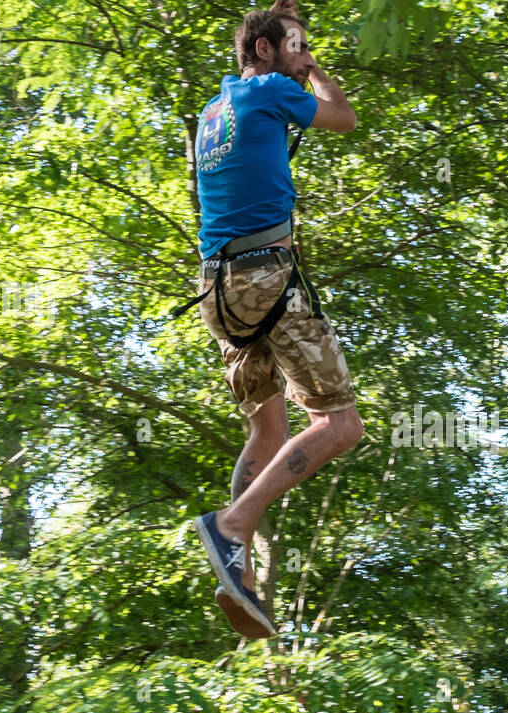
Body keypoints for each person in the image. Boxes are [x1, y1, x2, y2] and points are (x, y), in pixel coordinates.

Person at [186, 0, 362, 639]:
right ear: (263, 52)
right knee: (339, 426)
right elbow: (341, 119)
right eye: (294, 45)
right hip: (267, 282)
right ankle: (232, 524)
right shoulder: (267, 92)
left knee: (266, 435)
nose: (303, 55)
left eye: (305, 49)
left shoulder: (215, 111)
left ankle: (237, 567)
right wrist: (316, 73)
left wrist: (281, 25)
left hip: (220, 295)